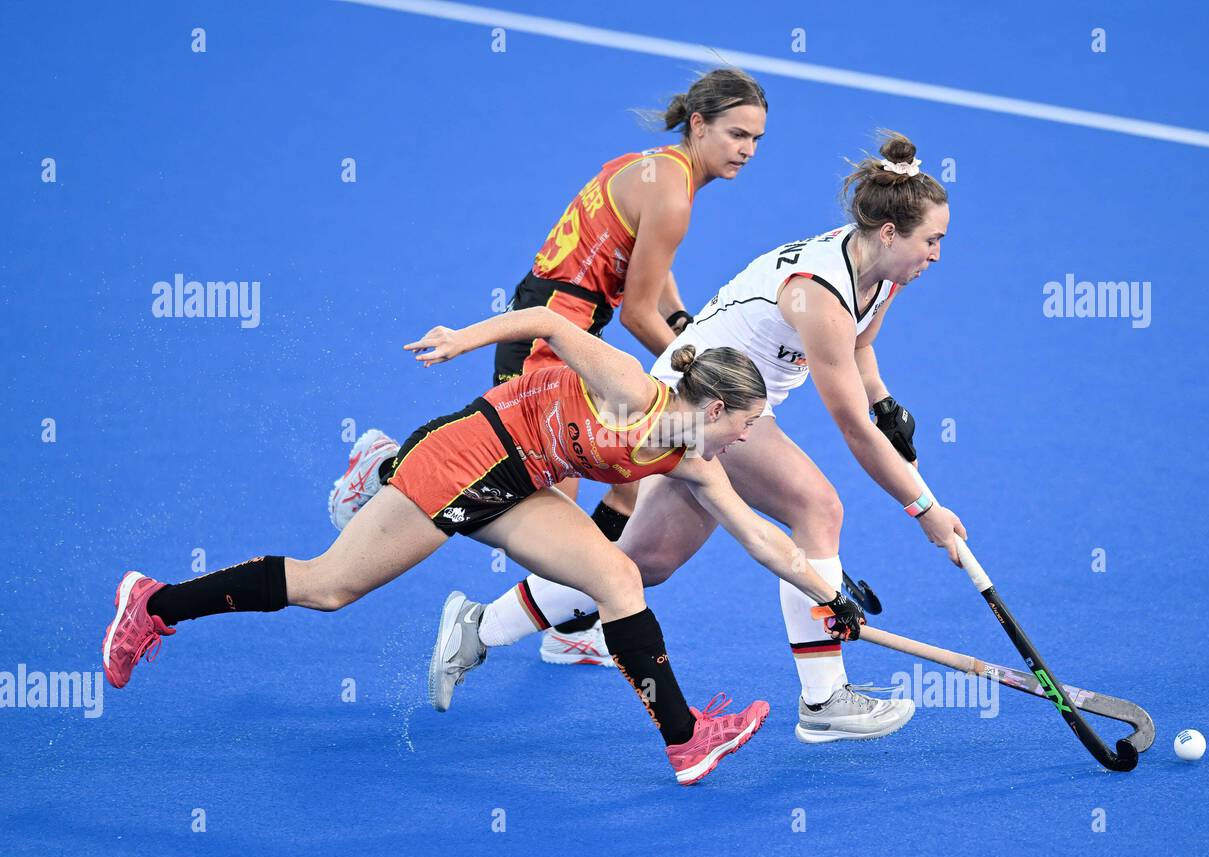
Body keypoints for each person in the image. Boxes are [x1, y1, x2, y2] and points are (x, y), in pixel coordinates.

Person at [102, 306, 868, 785]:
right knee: (330, 587)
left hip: (526, 483)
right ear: (716, 405)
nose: (752, 435)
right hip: (466, 458)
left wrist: (828, 594)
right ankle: (155, 603)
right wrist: (463, 340)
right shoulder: (636, 389)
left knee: (618, 578)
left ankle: (685, 739)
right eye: (749, 421)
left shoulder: (694, 459)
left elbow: (761, 539)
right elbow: (549, 327)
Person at [431, 131, 967, 745]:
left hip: (733, 407)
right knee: (818, 507)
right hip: (703, 406)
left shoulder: (884, 276)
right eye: (933, 241)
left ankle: (479, 626)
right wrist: (924, 508)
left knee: (644, 564)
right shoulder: (819, 296)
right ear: (892, 234)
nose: (937, 255)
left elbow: (862, 347)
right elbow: (851, 430)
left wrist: (884, 401)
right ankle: (825, 697)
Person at [329, 67, 768, 666]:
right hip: (553, 333)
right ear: (698, 125)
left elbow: (651, 264)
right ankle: (384, 470)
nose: (746, 150)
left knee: (626, 483)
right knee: (533, 494)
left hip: (557, 313)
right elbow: (639, 312)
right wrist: (690, 375)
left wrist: (683, 317)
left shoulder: (658, 167)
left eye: (756, 140)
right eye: (736, 134)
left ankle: (572, 622)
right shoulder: (673, 194)